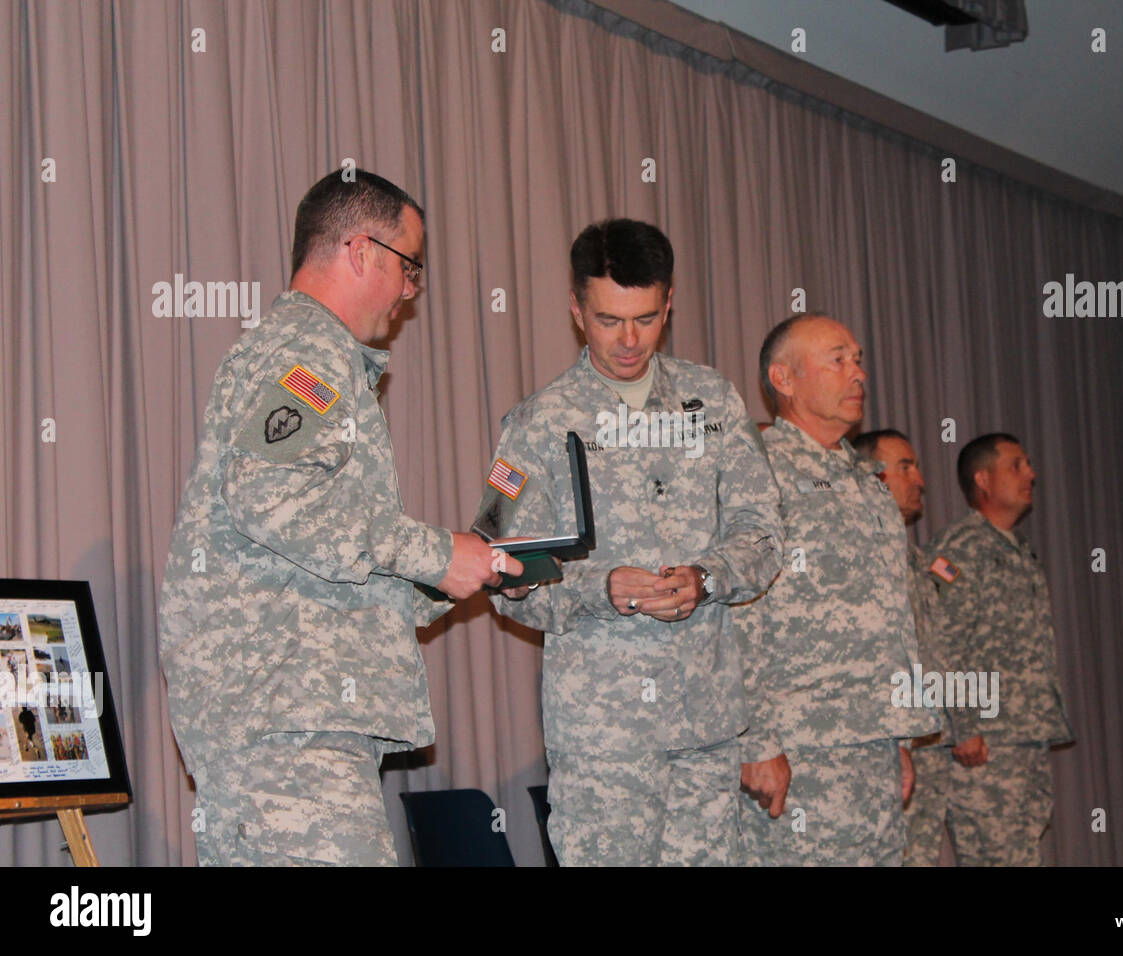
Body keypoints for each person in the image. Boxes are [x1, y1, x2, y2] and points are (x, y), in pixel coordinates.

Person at [158, 169, 519, 866]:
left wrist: (454, 576)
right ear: (361, 252)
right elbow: (268, 495)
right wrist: (433, 552)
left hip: (288, 719)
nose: (412, 291)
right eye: (409, 267)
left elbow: (318, 545)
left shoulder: (312, 353)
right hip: (286, 724)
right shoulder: (310, 352)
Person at [482, 219, 783, 866]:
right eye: (608, 319)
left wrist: (708, 577)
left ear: (669, 303)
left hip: (705, 721)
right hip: (602, 737)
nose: (628, 339)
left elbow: (763, 538)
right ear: (575, 309)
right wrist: (600, 587)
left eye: (646, 318)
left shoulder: (716, 404)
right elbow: (504, 572)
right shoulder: (535, 424)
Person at [736, 315, 937, 866]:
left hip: (870, 747)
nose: (858, 374)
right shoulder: (756, 472)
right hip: (800, 750)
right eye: (838, 359)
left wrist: (897, 737)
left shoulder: (866, 482)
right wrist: (756, 742)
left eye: (859, 359)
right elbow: (737, 613)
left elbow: (892, 622)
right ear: (784, 378)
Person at [924, 433, 1073, 865]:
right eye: (1016, 465)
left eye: (1028, 464)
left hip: (1023, 735)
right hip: (986, 741)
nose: (1031, 474)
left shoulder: (1019, 549)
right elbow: (939, 638)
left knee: (1020, 856)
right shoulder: (960, 548)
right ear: (983, 480)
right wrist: (963, 724)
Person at [854, 428, 952, 866]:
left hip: (928, 737)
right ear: (873, 477)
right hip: (885, 740)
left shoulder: (914, 557)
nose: (921, 479)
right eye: (905, 467)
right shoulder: (858, 552)